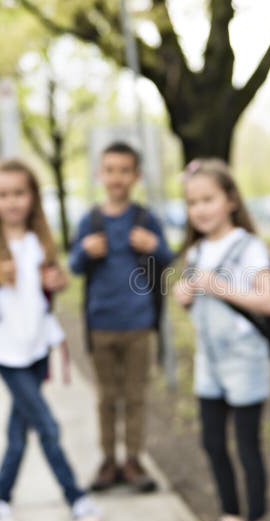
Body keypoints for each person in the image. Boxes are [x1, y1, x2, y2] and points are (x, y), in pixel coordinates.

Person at [0, 159, 102, 521]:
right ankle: (76, 497)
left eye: (19, 193)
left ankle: (0, 498)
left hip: (36, 345)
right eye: (3, 194)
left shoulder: (38, 238)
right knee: (47, 425)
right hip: (4, 349)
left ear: (32, 197)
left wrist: (56, 281)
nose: (12, 201)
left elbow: (48, 285)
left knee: (19, 429)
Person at [173, 159, 270, 521]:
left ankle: (255, 520)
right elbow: (197, 308)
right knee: (212, 441)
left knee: (247, 445)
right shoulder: (196, 250)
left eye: (208, 199)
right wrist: (184, 296)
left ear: (230, 200)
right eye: (192, 202)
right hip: (209, 359)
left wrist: (219, 287)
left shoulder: (247, 247)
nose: (199, 209)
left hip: (244, 356)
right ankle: (230, 515)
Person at [69, 141, 174, 492]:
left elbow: (169, 258)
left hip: (138, 324)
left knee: (135, 395)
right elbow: (73, 265)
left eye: (124, 170)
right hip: (101, 323)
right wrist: (84, 252)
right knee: (106, 396)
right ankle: (108, 461)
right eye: (110, 170)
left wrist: (153, 246)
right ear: (100, 174)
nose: (116, 177)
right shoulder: (90, 220)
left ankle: (133, 460)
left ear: (136, 176)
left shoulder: (146, 220)